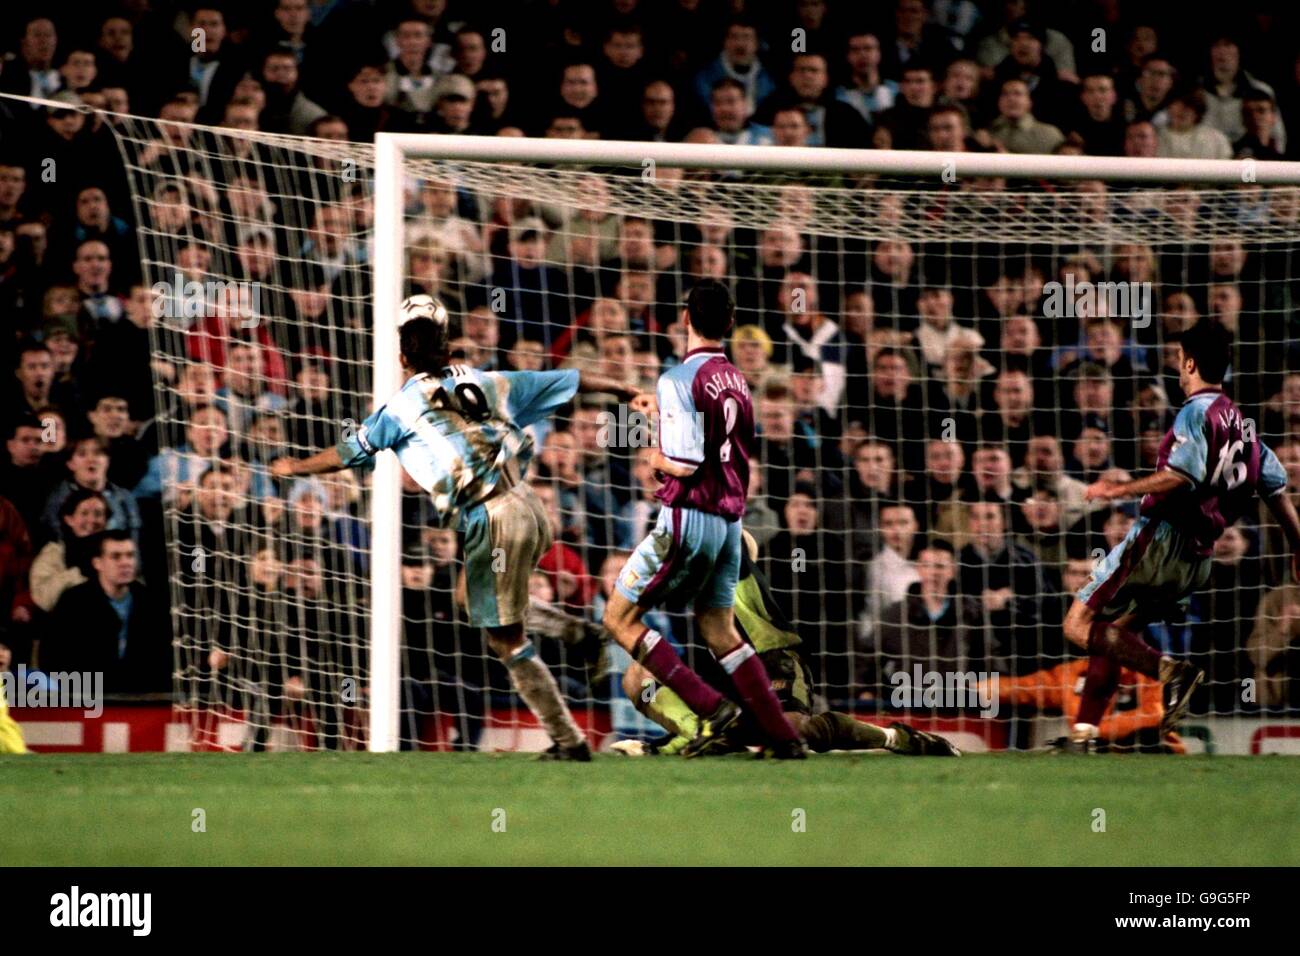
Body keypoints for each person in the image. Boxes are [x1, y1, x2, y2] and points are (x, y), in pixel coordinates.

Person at [269, 296, 642, 761]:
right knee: (471, 599)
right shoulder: (483, 380)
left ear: (402, 358)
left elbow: (346, 454)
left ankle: (569, 739)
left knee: (503, 638)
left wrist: (294, 467)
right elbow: (570, 378)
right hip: (529, 503)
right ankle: (578, 636)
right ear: (447, 352)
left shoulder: (401, 407)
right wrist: (626, 389)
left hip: (491, 515)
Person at [1066, 320, 1300, 748]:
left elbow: (1180, 475)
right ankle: (1084, 732)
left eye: (1178, 358)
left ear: (1189, 363)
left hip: (1159, 541)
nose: (1177, 366)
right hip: (1198, 561)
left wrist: (1114, 489)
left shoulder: (1195, 412)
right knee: (1116, 635)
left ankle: (1171, 671)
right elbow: (1278, 492)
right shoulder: (1244, 427)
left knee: (1077, 626)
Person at [601, 280, 807, 759]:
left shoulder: (677, 378)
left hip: (687, 517)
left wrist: (653, 455)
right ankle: (785, 738)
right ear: (730, 324)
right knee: (719, 630)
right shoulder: (737, 380)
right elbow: (727, 451)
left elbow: (688, 461)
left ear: (685, 317)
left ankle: (713, 711)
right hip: (729, 523)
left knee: (619, 617)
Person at [616, 530, 958, 757]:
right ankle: (700, 735)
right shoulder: (687, 599)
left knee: (793, 734)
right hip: (722, 676)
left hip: (772, 661)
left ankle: (895, 738)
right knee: (638, 676)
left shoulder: (730, 561)